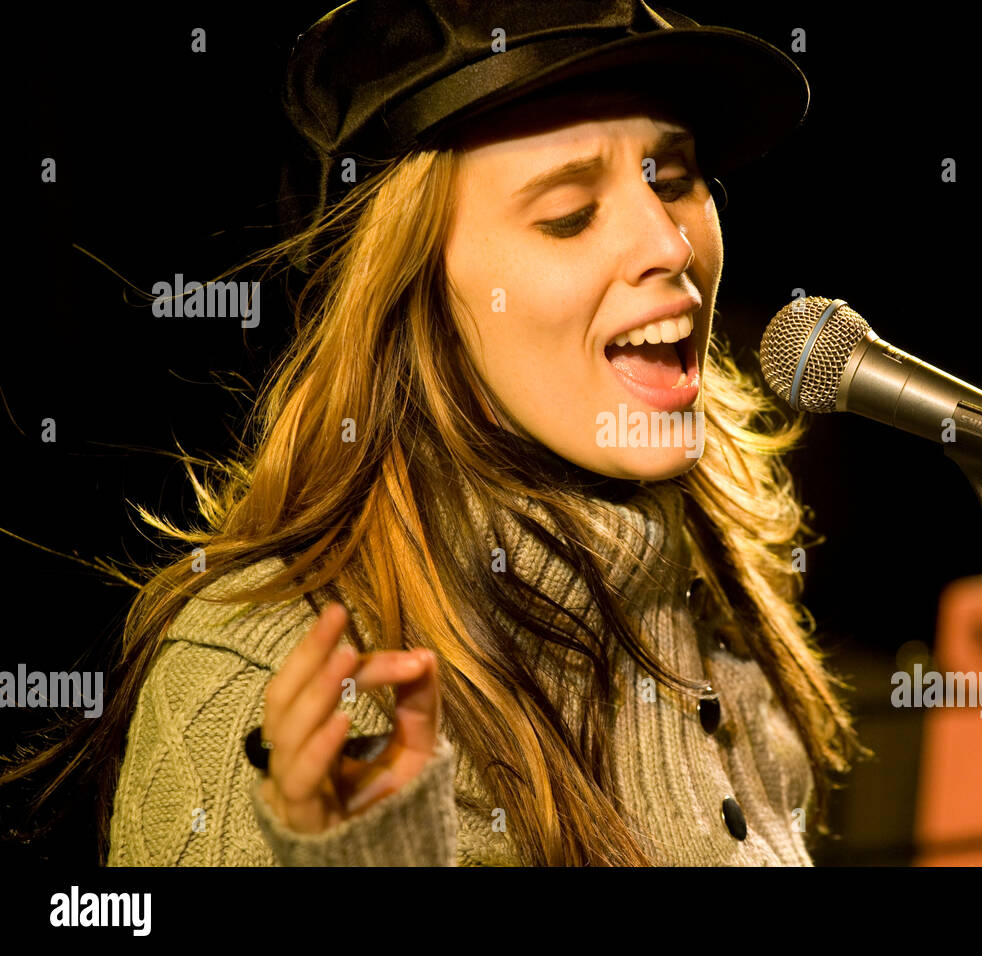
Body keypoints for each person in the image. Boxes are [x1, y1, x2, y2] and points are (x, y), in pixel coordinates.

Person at [8, 0, 868, 866]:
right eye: (569, 213)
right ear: (413, 295)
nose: (669, 243)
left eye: (673, 176)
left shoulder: (719, 597)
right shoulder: (258, 683)